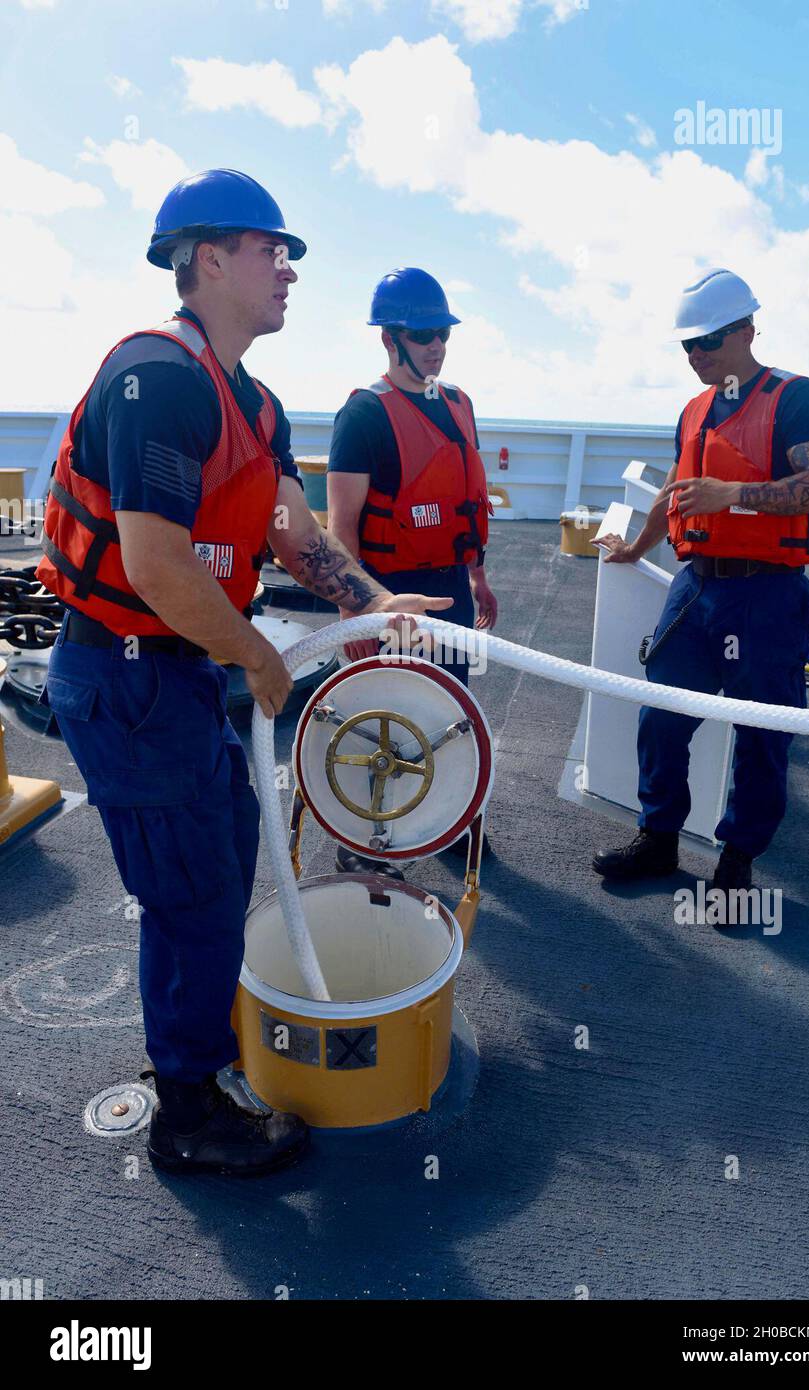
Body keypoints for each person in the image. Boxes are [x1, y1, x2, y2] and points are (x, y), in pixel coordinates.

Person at [36, 170, 453, 1176]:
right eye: (275, 251)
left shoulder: (257, 408)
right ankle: (187, 1114)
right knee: (191, 893)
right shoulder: (159, 379)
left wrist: (371, 604)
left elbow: (295, 535)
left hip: (185, 677)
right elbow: (156, 564)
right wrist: (263, 658)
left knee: (216, 871)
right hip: (131, 678)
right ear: (208, 259)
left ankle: (207, 1065)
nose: (291, 272)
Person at [592, 268, 809, 900]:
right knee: (663, 715)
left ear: (747, 330)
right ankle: (659, 840)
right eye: (688, 346)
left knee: (762, 733)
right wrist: (636, 548)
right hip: (696, 586)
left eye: (709, 340)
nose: (698, 356)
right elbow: (677, 494)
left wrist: (733, 494)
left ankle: (737, 861)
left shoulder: (798, 399)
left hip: (768, 594)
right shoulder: (694, 412)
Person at [326, 267, 498, 876]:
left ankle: (449, 823)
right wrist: (354, 615)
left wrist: (477, 575)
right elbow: (341, 527)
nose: (437, 345)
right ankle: (365, 840)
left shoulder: (459, 405)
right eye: (424, 333)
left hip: (450, 588)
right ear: (389, 338)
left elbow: (467, 498)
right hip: (388, 594)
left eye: (443, 333)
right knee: (384, 721)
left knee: (451, 713)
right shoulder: (363, 417)